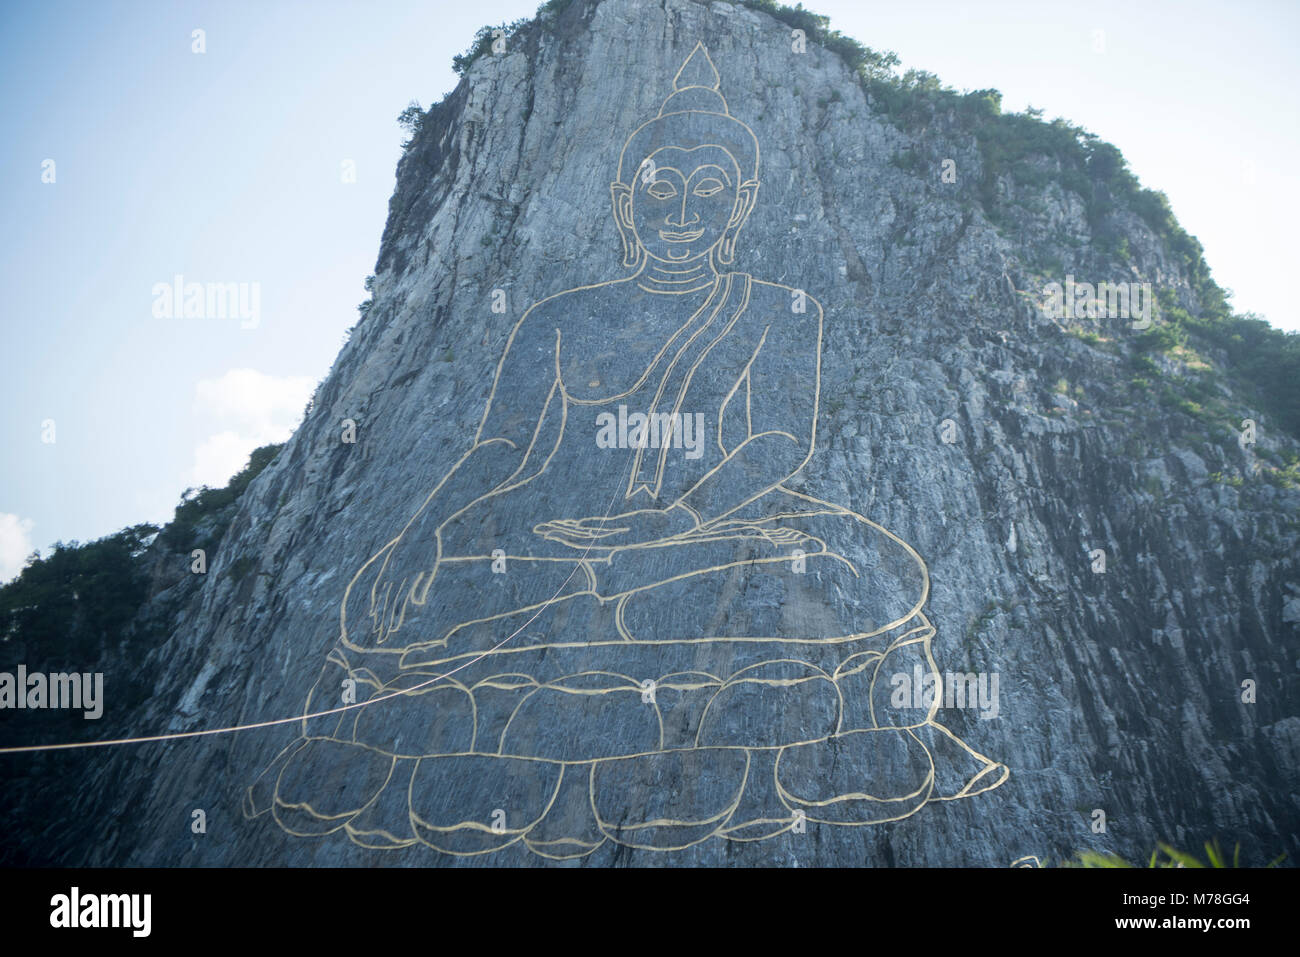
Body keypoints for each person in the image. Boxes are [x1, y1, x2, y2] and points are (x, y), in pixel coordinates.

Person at [246, 43, 1007, 859]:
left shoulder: (779, 310)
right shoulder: (563, 316)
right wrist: (424, 530)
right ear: (623, 201)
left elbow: (781, 441)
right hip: (556, 535)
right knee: (410, 590)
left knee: (843, 574)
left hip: (711, 533)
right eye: (661, 191)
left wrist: (673, 519)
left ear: (741, 203)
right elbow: (504, 445)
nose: (682, 214)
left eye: (709, 192)